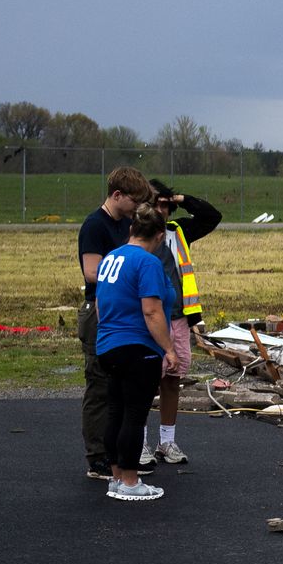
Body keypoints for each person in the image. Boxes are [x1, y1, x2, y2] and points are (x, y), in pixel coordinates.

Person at [76, 166, 152, 480]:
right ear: (116, 195)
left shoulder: (127, 224)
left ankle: (120, 457)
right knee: (100, 386)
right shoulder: (95, 225)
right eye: (133, 200)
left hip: (122, 312)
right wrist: (128, 270)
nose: (136, 207)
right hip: (99, 310)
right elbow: (91, 271)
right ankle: (97, 458)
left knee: (120, 389)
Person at [94, 204, 174, 501]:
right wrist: (169, 349)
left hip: (109, 344)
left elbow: (101, 305)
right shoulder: (148, 262)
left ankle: (116, 477)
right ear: (159, 235)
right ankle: (130, 481)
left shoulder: (111, 259)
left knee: (115, 411)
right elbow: (151, 310)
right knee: (134, 415)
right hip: (138, 347)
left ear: (131, 230)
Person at [141, 179, 221, 467]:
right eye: (155, 204)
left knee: (172, 380)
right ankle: (140, 444)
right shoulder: (134, 234)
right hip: (146, 320)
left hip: (177, 318)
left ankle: (167, 441)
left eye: (165, 205)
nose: (161, 210)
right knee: (144, 382)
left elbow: (212, 216)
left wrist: (180, 197)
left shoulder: (178, 232)